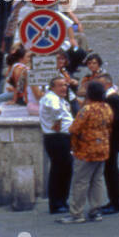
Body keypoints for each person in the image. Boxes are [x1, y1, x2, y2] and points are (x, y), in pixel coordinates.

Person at [57, 81, 113, 224]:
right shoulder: (107, 108)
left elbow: (74, 128)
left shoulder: (86, 110)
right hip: (103, 147)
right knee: (97, 180)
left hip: (86, 149)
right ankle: (95, 210)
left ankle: (77, 213)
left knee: (81, 182)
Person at [39, 75, 74, 215]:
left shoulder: (58, 98)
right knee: (58, 171)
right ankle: (56, 203)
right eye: (60, 85)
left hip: (61, 137)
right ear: (52, 87)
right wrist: (58, 121)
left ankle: (62, 200)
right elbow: (55, 110)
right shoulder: (51, 98)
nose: (64, 88)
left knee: (65, 169)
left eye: (65, 85)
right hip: (57, 138)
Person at [97, 73, 119, 214]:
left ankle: (116, 202)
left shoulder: (112, 99)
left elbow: (112, 121)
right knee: (110, 171)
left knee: (111, 171)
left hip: (112, 141)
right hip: (113, 140)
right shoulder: (112, 97)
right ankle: (114, 201)